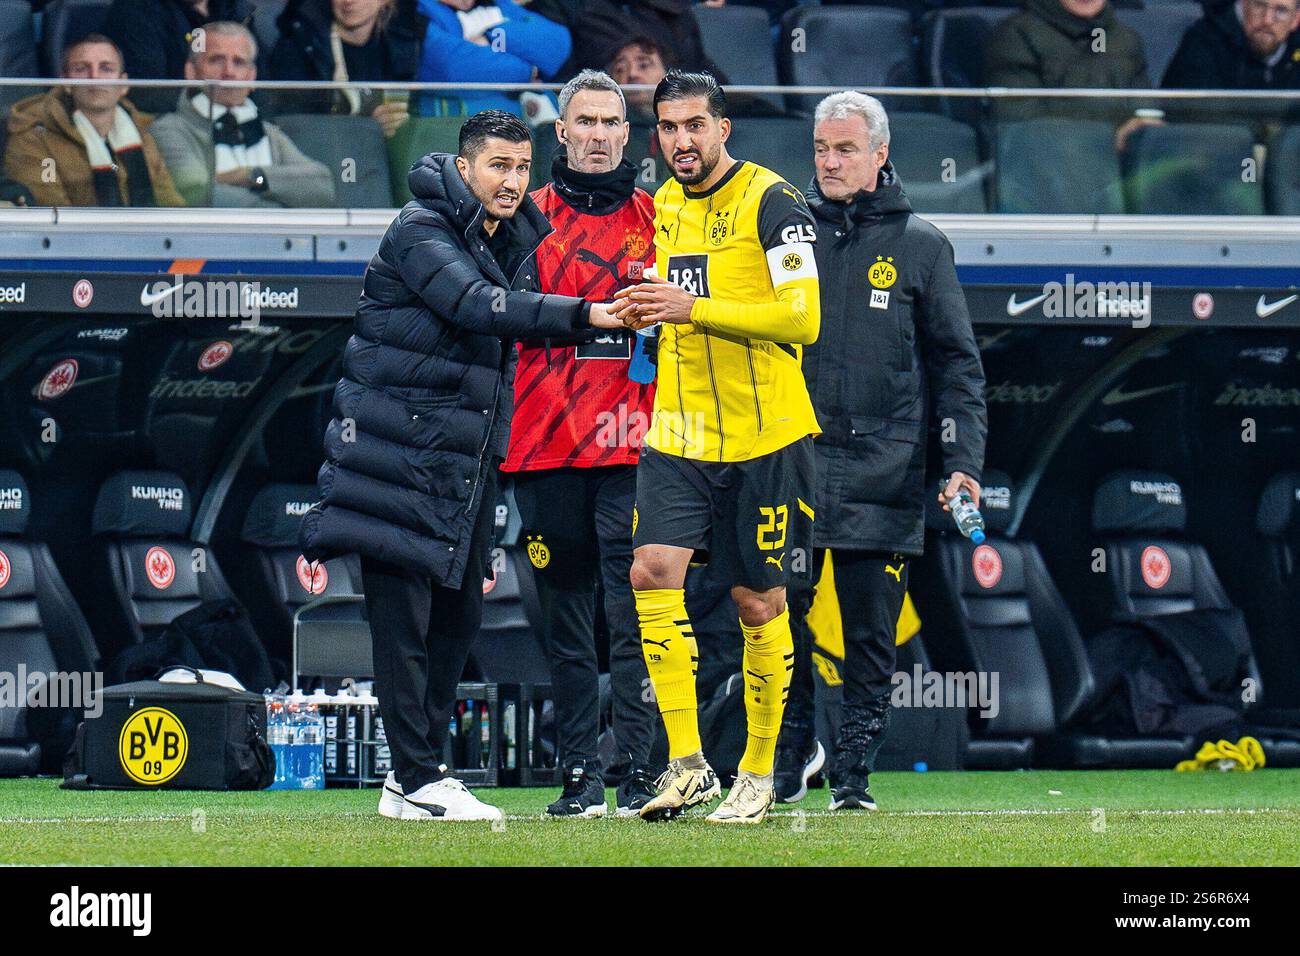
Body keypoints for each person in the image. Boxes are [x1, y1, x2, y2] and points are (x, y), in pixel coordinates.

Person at [299, 110, 626, 820]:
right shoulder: (420, 229)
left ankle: (412, 779)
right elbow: (479, 307)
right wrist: (591, 315)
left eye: (520, 169)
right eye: (497, 168)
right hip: (393, 458)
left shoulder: (502, 238)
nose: (512, 183)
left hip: (459, 464)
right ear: (465, 166)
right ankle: (416, 776)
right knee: (404, 621)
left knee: (458, 615)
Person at [610, 70, 822, 824]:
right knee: (649, 570)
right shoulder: (659, 205)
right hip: (680, 430)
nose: (681, 141)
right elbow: (667, 303)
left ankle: (758, 772)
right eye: (667, 127)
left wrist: (689, 307)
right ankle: (688, 764)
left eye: (694, 125)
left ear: (723, 128)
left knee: (757, 605)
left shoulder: (774, 201)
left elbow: (804, 320)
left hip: (764, 436)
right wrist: (642, 312)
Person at [774, 92, 987, 811]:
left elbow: (957, 364)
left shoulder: (921, 245)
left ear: (880, 155)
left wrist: (961, 463)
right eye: (822, 149)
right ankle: (794, 747)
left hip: (886, 467)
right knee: (773, 614)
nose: (829, 162)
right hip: (793, 461)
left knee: (870, 634)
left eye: (844, 150)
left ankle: (854, 777)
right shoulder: (788, 235)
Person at [501, 70, 660, 818]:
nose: (598, 134)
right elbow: (494, 316)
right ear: (559, 132)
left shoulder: (662, 220)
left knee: (638, 623)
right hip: (543, 448)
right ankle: (577, 779)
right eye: (584, 122)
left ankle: (636, 772)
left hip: (635, 449)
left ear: (628, 136)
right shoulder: (520, 220)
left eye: (611, 123)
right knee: (566, 626)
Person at [149, 22, 335, 207]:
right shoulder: (169, 128)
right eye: (216, 60)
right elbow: (200, 195)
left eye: (238, 62)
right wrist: (283, 204)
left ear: (252, 76)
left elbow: (323, 186)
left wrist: (252, 177)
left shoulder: (267, 131)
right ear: (191, 72)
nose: (229, 72)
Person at [4, 35, 184, 207]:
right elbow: (53, 218)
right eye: (81, 68)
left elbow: (170, 206)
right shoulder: (33, 138)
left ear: (124, 85)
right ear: (66, 82)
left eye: (106, 68)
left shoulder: (141, 135)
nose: (95, 76)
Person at [985, 0, 1159, 151]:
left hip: (1122, 171)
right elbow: (1021, 126)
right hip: (1047, 174)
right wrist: (1111, 136)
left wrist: (1139, 129)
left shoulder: (1126, 40)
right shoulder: (1015, 36)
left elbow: (1144, 113)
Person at [267, 0, 426, 137]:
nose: (348, 1)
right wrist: (367, 127)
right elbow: (293, 126)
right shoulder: (299, 46)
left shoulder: (403, 46)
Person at [415, 0, 572, 116]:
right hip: (452, 126)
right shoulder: (419, 9)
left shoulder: (494, 3)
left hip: (528, 125)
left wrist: (489, 37)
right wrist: (527, 70)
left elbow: (557, 43)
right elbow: (454, 67)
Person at [101, 0, 253, 114]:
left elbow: (264, 87)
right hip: (174, 125)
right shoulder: (135, 11)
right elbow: (148, 95)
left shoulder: (235, 10)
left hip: (239, 123)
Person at [1163, 0, 1300, 89]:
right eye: (1259, 6)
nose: (1267, 20)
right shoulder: (1204, 42)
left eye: (1281, 11)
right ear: (1244, 5)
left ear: (1296, 19)